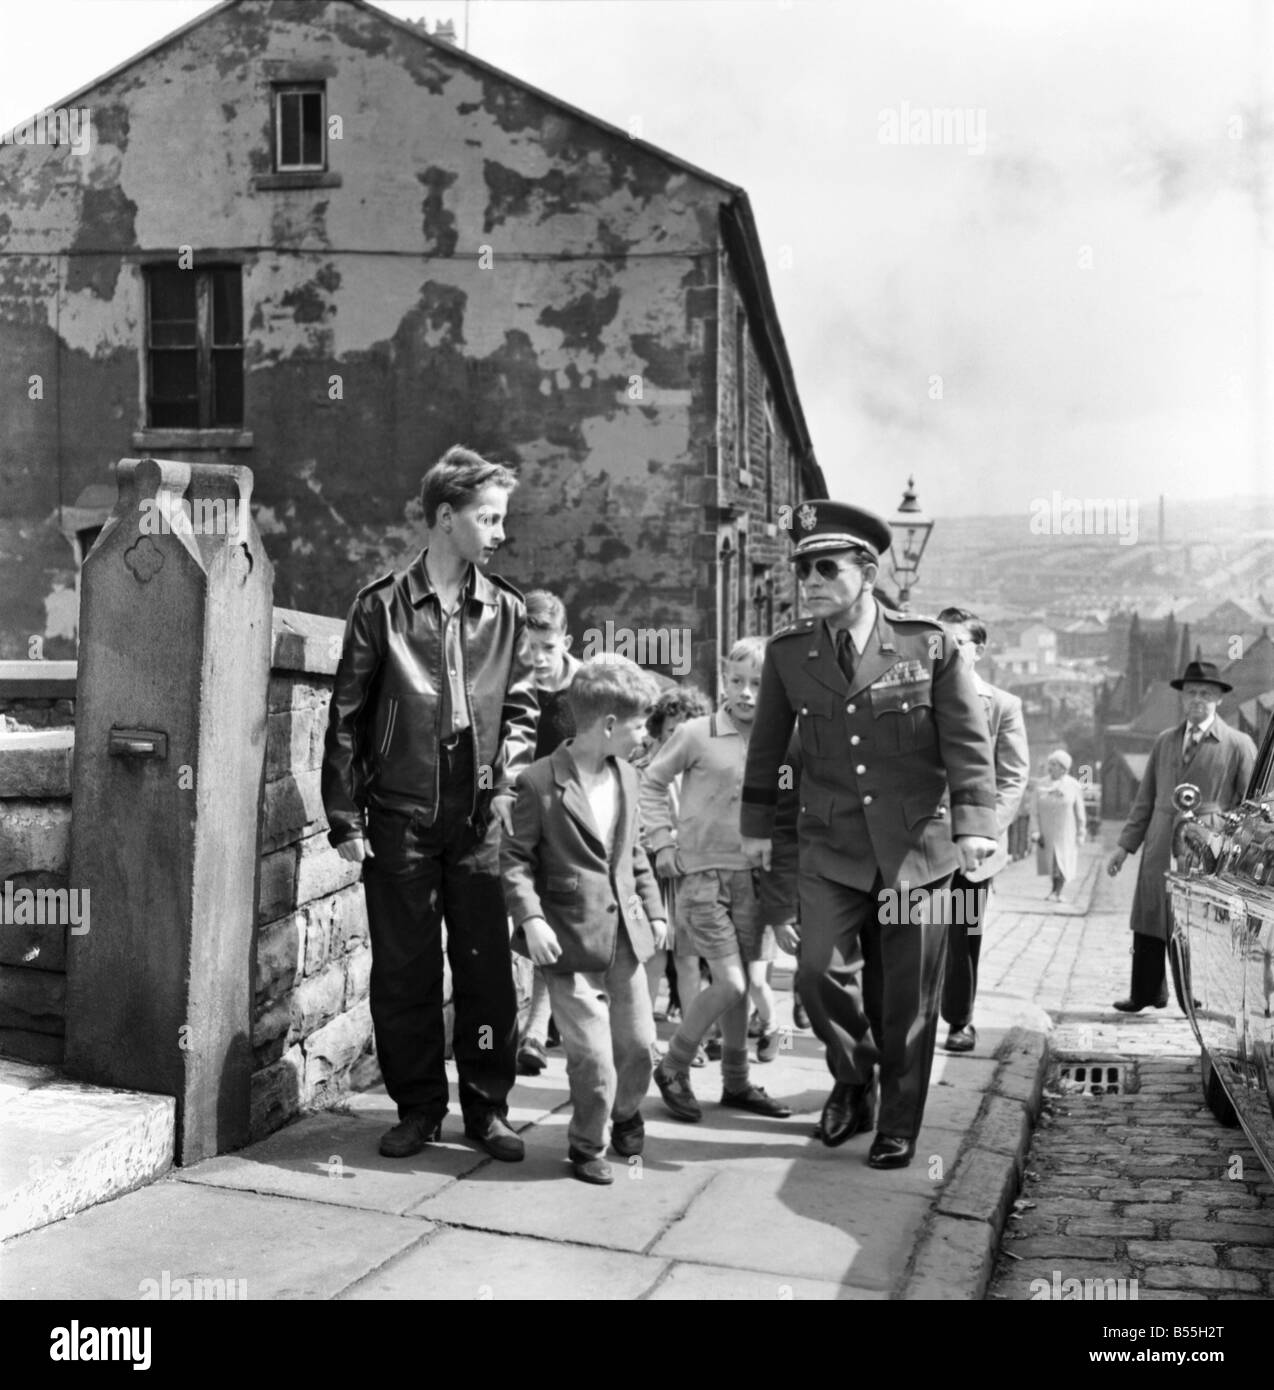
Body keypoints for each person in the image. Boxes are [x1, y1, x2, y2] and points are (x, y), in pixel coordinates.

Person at [740, 500, 998, 1169]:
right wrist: (756, 829)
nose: (811, 581)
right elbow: (766, 749)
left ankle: (898, 1122)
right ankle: (854, 1078)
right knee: (818, 974)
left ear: (867, 569)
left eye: (826, 567)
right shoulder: (790, 654)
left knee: (908, 1000)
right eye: (803, 570)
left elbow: (967, 743)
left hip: (919, 849)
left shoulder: (926, 645)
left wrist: (974, 825)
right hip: (831, 848)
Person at [321, 445, 539, 1162]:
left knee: (484, 970)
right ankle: (417, 1107)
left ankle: (488, 1108)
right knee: (405, 968)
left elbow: (523, 710)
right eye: (489, 517)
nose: (500, 532)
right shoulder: (380, 605)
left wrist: (507, 783)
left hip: (477, 817)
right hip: (401, 815)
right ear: (446, 519)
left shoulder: (505, 610)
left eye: (501, 518)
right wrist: (345, 815)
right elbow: (347, 713)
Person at [500, 656, 668, 1185]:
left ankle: (627, 1113)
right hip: (566, 940)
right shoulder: (538, 781)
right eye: (640, 725)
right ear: (609, 725)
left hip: (626, 935)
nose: (646, 736)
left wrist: (656, 910)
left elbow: (634, 852)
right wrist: (531, 920)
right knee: (593, 1057)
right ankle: (586, 1144)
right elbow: (514, 860)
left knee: (639, 1044)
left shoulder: (628, 776)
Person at [641, 637, 795, 1122]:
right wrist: (663, 842)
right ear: (723, 680)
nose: (747, 693)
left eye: (759, 684)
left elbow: (791, 810)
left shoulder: (785, 741)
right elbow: (650, 780)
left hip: (756, 879)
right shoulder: (695, 733)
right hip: (702, 878)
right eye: (737, 682)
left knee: (745, 985)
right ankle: (674, 1064)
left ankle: (736, 1082)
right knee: (727, 982)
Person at [1107, 659, 1256, 1013]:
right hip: (1160, 841)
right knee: (1150, 916)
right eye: (1190, 693)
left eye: (1206, 693)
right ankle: (1146, 993)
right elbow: (1144, 799)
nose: (1197, 700)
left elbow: (1250, 805)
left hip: (1206, 844)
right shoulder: (1165, 741)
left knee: (1194, 919)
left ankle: (1196, 994)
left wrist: (1223, 835)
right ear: (1182, 698)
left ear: (1220, 699)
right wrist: (1124, 848)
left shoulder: (1237, 743)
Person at [936, 608, 1030, 1053]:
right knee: (904, 929)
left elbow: (1012, 779)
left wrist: (982, 832)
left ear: (979, 650)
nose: (948, 650)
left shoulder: (1003, 706)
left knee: (961, 933)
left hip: (975, 847)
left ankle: (959, 1021)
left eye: (959, 642)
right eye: (942, 641)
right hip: (920, 840)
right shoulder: (917, 696)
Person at [514, 590, 583, 1077]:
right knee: (519, 921)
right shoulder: (506, 681)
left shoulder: (586, 689)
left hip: (565, 819)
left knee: (549, 920)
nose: (537, 659)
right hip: (512, 815)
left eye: (548, 648)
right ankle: (532, 1022)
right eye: (528, 646)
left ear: (566, 642)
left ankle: (535, 1033)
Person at [634, 685, 712, 1052]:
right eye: (670, 732)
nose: (678, 739)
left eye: (686, 732)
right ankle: (646, 1041)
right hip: (653, 870)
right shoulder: (644, 770)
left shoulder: (706, 771)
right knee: (652, 958)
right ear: (657, 731)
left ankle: (691, 1041)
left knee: (689, 961)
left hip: (691, 870)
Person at [1030, 750, 1086, 902]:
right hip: (1046, 829)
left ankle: (1058, 891)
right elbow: (1034, 810)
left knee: (1062, 861)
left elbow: (1080, 811)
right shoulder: (1041, 784)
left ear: (1063, 768)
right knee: (1051, 861)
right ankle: (1053, 890)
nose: (1050, 767)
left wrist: (1081, 833)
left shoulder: (1073, 785)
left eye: (1054, 765)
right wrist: (1035, 831)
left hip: (1066, 831)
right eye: (1050, 764)